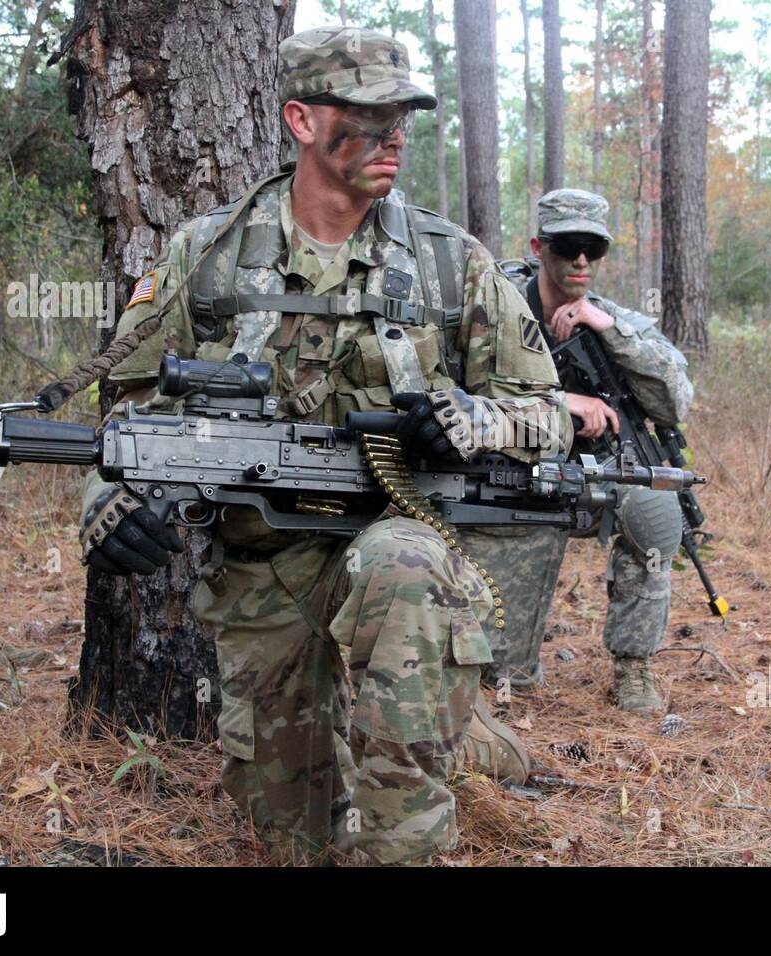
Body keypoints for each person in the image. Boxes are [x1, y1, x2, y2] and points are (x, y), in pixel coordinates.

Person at [76, 26, 570, 865]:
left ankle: (404, 845)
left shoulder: (448, 263)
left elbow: (548, 413)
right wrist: (107, 503)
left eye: (402, 117)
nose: (394, 137)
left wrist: (469, 420)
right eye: (369, 116)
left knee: (405, 570)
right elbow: (125, 411)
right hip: (263, 566)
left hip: (397, 533)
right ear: (302, 120)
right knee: (289, 837)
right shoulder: (208, 256)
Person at [486, 188, 694, 714]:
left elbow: (676, 403)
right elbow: (461, 391)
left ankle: (634, 667)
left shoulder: (612, 320)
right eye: (567, 247)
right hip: (511, 466)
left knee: (656, 510)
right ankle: (502, 663)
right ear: (539, 247)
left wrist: (612, 332)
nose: (581, 260)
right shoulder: (496, 306)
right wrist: (559, 404)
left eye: (593, 249)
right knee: (506, 677)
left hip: (596, 472)